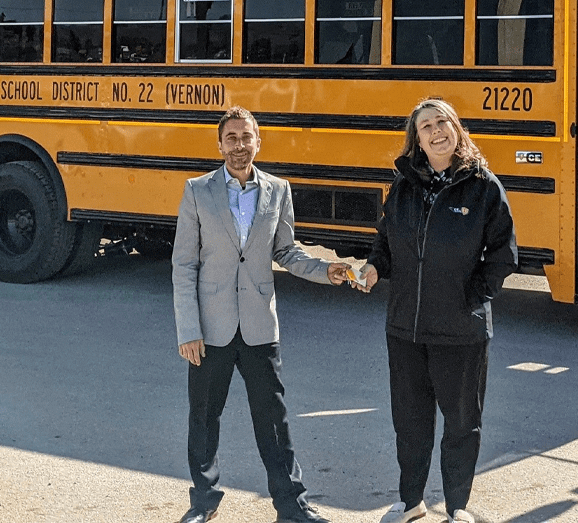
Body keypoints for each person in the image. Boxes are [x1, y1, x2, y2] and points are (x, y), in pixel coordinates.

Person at [172, 105, 352, 523]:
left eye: (246, 137)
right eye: (231, 138)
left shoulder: (278, 190)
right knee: (204, 418)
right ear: (219, 145)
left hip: (259, 326)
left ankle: (291, 506)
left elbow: (285, 251)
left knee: (274, 420)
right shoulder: (197, 191)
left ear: (258, 142)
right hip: (210, 328)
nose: (239, 145)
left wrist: (325, 270)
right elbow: (184, 264)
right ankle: (203, 502)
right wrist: (188, 329)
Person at [352, 98, 518, 523]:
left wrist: (471, 297)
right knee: (410, 422)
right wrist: (373, 268)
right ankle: (411, 502)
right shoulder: (404, 186)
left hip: (460, 330)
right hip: (405, 327)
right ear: (418, 140)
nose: (436, 130)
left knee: (461, 423)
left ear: (457, 129)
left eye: (442, 122)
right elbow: (385, 242)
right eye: (426, 126)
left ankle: (457, 507)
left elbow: (503, 254)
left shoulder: (483, 186)